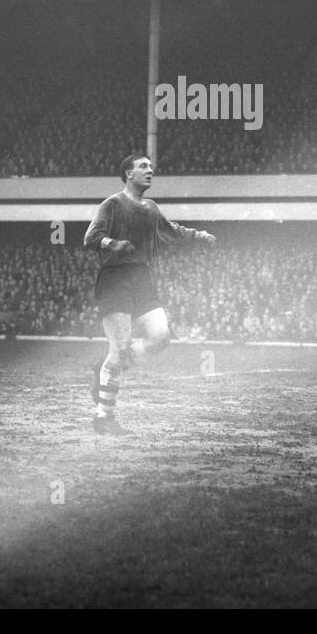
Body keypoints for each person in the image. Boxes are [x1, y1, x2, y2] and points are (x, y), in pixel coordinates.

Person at [83, 153, 215, 434]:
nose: (150, 170)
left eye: (151, 166)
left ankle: (104, 368)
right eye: (143, 166)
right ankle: (103, 417)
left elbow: (171, 230)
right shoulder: (113, 204)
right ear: (128, 174)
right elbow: (90, 237)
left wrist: (197, 235)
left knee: (161, 337)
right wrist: (112, 243)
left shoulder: (151, 208)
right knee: (118, 350)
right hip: (115, 279)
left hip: (142, 278)